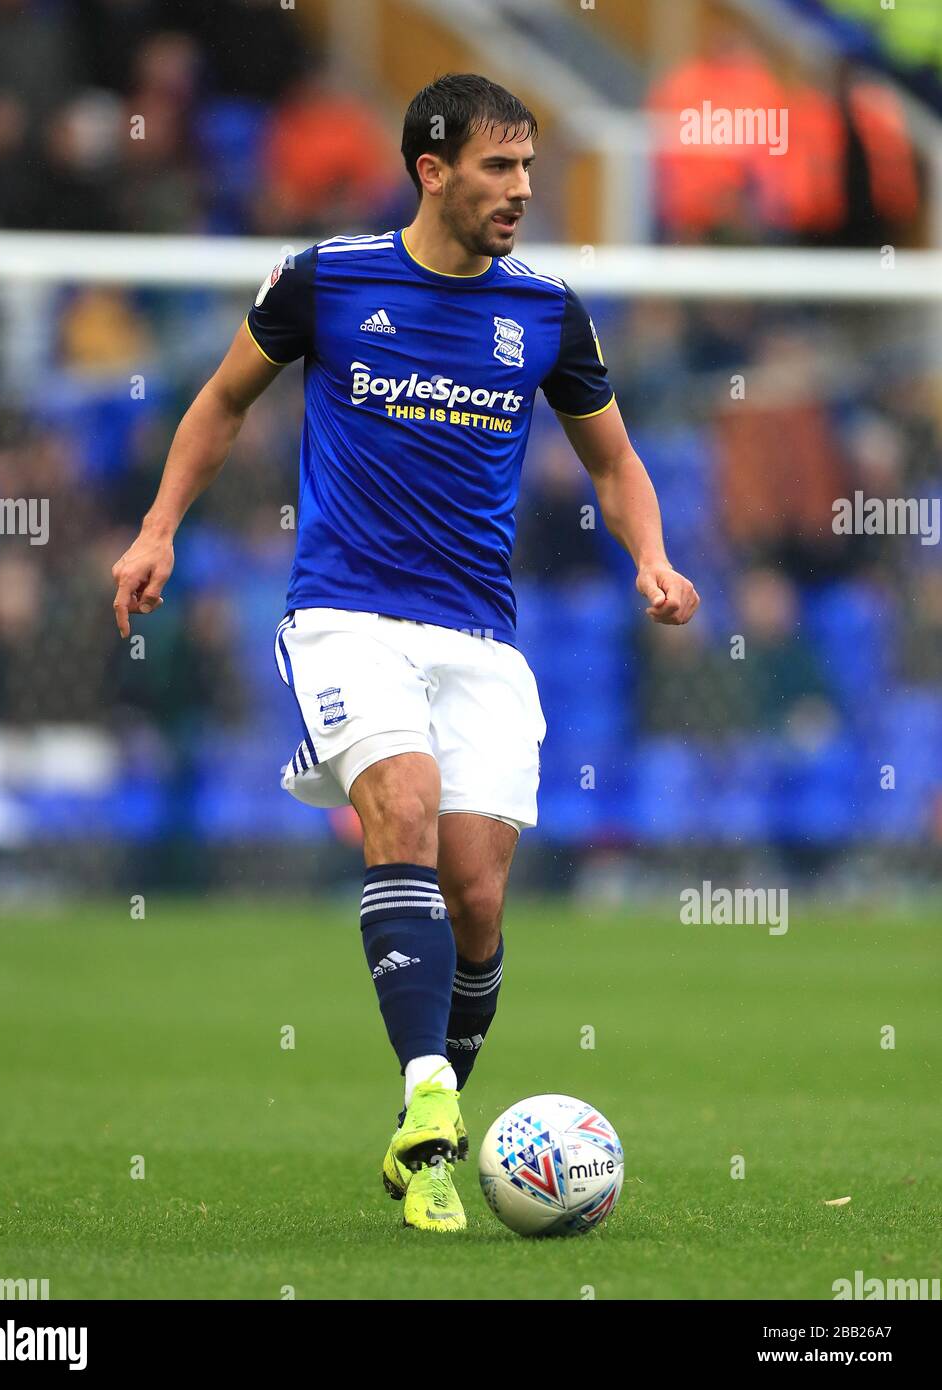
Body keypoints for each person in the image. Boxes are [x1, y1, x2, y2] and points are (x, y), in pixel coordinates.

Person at [111, 73, 699, 1233]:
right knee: (405, 807)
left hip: (479, 632)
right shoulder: (325, 278)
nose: (522, 191)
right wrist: (157, 526)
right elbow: (221, 402)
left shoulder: (545, 310)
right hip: (344, 612)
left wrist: (652, 557)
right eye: (498, 167)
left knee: (476, 897)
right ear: (431, 170)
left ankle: (423, 1133)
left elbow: (615, 462)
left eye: (528, 168)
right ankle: (430, 1102)